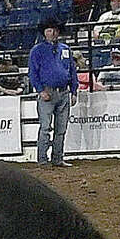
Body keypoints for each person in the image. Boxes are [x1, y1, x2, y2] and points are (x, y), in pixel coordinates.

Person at [27, 17, 77, 166]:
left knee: (61, 128)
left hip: (63, 92)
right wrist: (40, 90)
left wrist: (74, 91)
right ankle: (43, 159)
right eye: (49, 30)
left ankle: (57, 158)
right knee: (46, 127)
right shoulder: (37, 50)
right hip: (47, 92)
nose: (53, 33)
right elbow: (33, 73)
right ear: (44, 33)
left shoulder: (65, 49)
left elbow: (72, 71)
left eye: (54, 30)